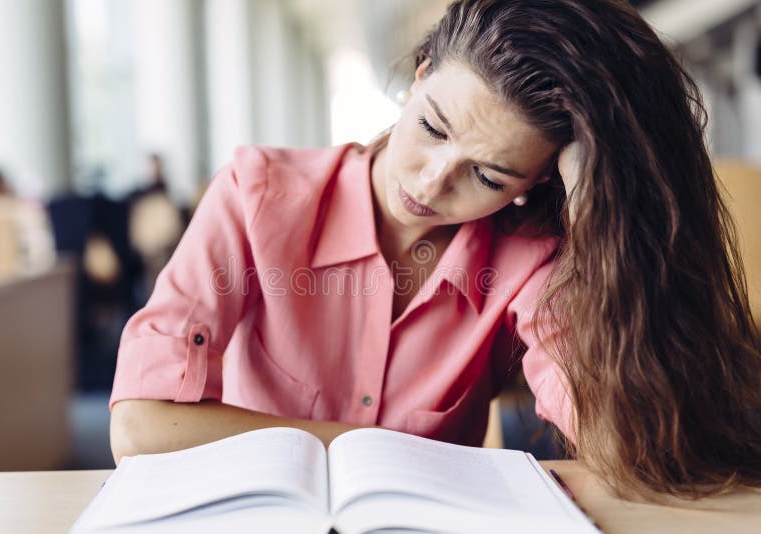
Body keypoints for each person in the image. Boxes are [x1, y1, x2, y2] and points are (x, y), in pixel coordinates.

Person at [109, 0, 761, 500]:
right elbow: (140, 427)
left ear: (536, 182)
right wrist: (371, 450)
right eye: (431, 127)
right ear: (419, 75)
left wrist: (595, 209)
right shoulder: (256, 195)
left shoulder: (530, 257)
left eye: (489, 175)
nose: (430, 182)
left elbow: (623, 454)